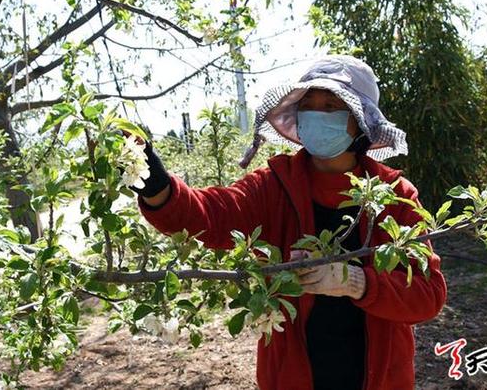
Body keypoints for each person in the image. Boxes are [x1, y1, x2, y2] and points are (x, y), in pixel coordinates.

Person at [131, 55, 447, 390]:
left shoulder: (394, 195)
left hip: (380, 380)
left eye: (330, 105)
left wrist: (355, 281)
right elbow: (209, 216)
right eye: (308, 104)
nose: (316, 113)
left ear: (360, 121)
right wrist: (156, 186)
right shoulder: (274, 186)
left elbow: (427, 296)